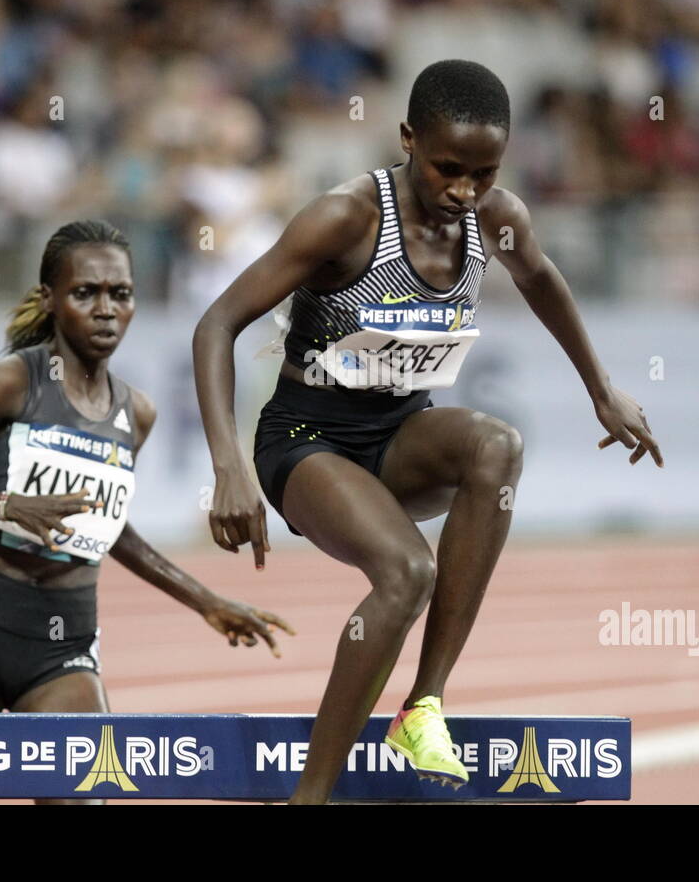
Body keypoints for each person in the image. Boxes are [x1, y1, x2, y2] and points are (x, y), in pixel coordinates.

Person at [192, 60, 662, 804]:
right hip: (307, 437)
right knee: (407, 573)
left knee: (496, 445)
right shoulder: (346, 218)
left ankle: (424, 705)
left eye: (484, 173)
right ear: (408, 138)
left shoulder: (497, 217)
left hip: (399, 434)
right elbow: (217, 323)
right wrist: (228, 465)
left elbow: (540, 278)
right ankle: (310, 798)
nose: (464, 191)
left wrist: (601, 387)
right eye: (448, 169)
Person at [0, 219, 292, 805]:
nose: (106, 310)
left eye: (120, 294)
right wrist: (6, 505)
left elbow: (105, 528)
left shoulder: (137, 413)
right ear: (51, 300)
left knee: (83, 797)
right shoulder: (8, 383)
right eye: (86, 293)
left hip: (63, 647)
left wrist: (204, 599)